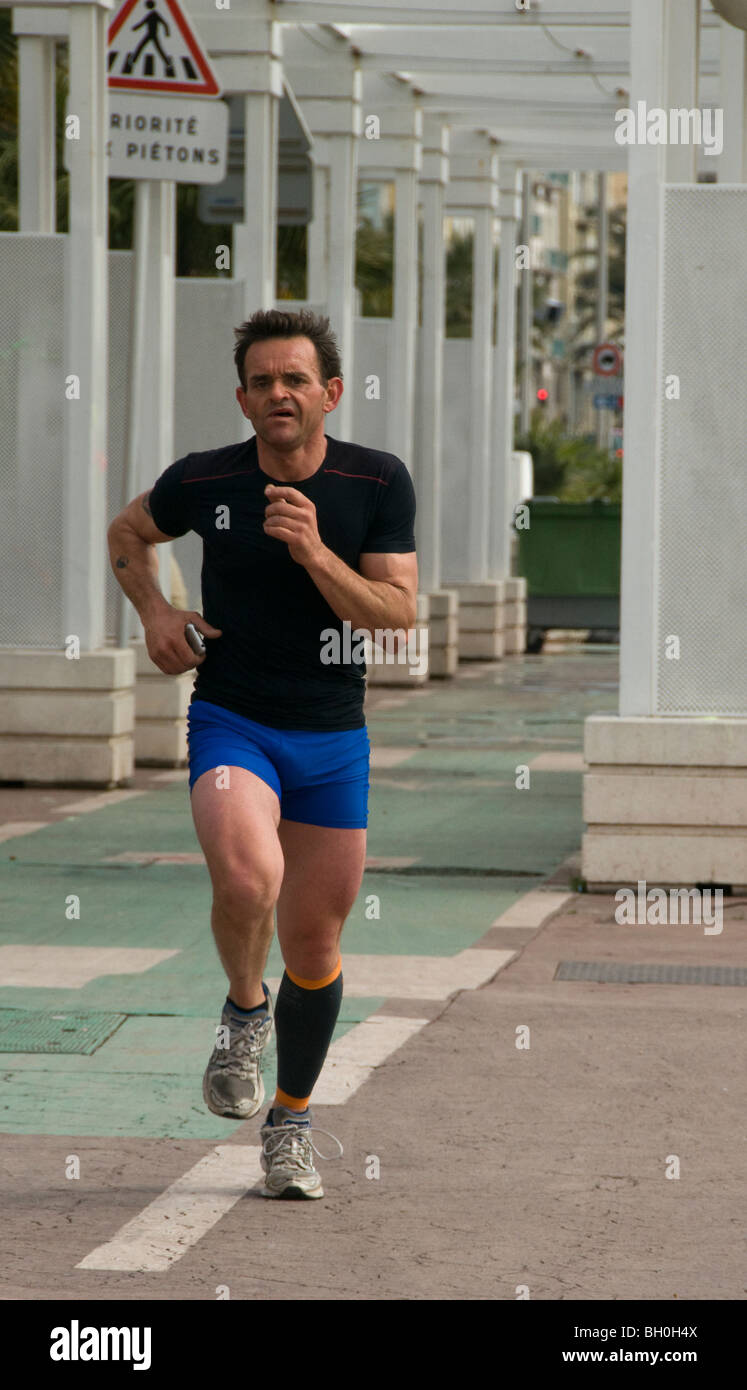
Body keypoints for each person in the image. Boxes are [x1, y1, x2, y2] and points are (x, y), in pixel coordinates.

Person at [107, 309, 418, 1199]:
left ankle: (290, 1122)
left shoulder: (375, 480)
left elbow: (395, 617)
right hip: (234, 719)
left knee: (314, 943)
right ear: (241, 396)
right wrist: (157, 616)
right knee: (247, 881)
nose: (277, 394)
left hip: (332, 735)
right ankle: (246, 1010)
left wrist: (315, 549)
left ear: (329, 392)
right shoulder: (204, 479)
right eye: (261, 381)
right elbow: (128, 536)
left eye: (294, 380)